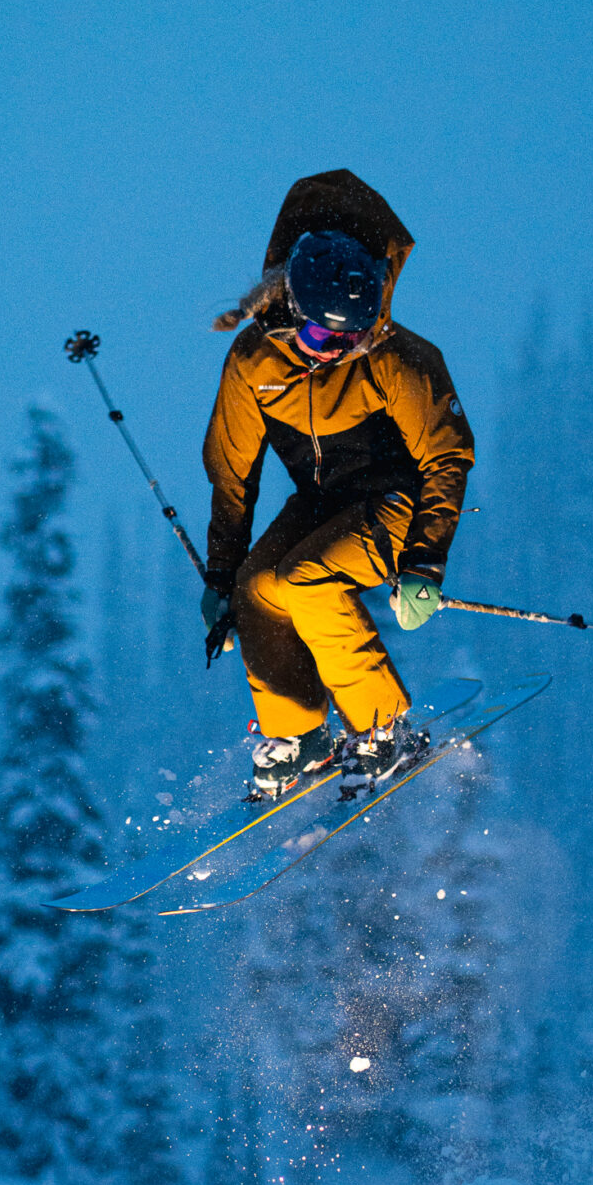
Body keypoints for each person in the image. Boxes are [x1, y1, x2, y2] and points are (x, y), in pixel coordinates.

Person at [200, 169, 475, 800]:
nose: (334, 350)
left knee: (307, 580)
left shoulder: (399, 360)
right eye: (322, 335)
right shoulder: (255, 363)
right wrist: (220, 575)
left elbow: (446, 458)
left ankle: (385, 728)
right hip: (322, 502)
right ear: (290, 308)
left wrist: (425, 562)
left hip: (396, 502)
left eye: (350, 336)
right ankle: (299, 734)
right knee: (260, 586)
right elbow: (232, 472)